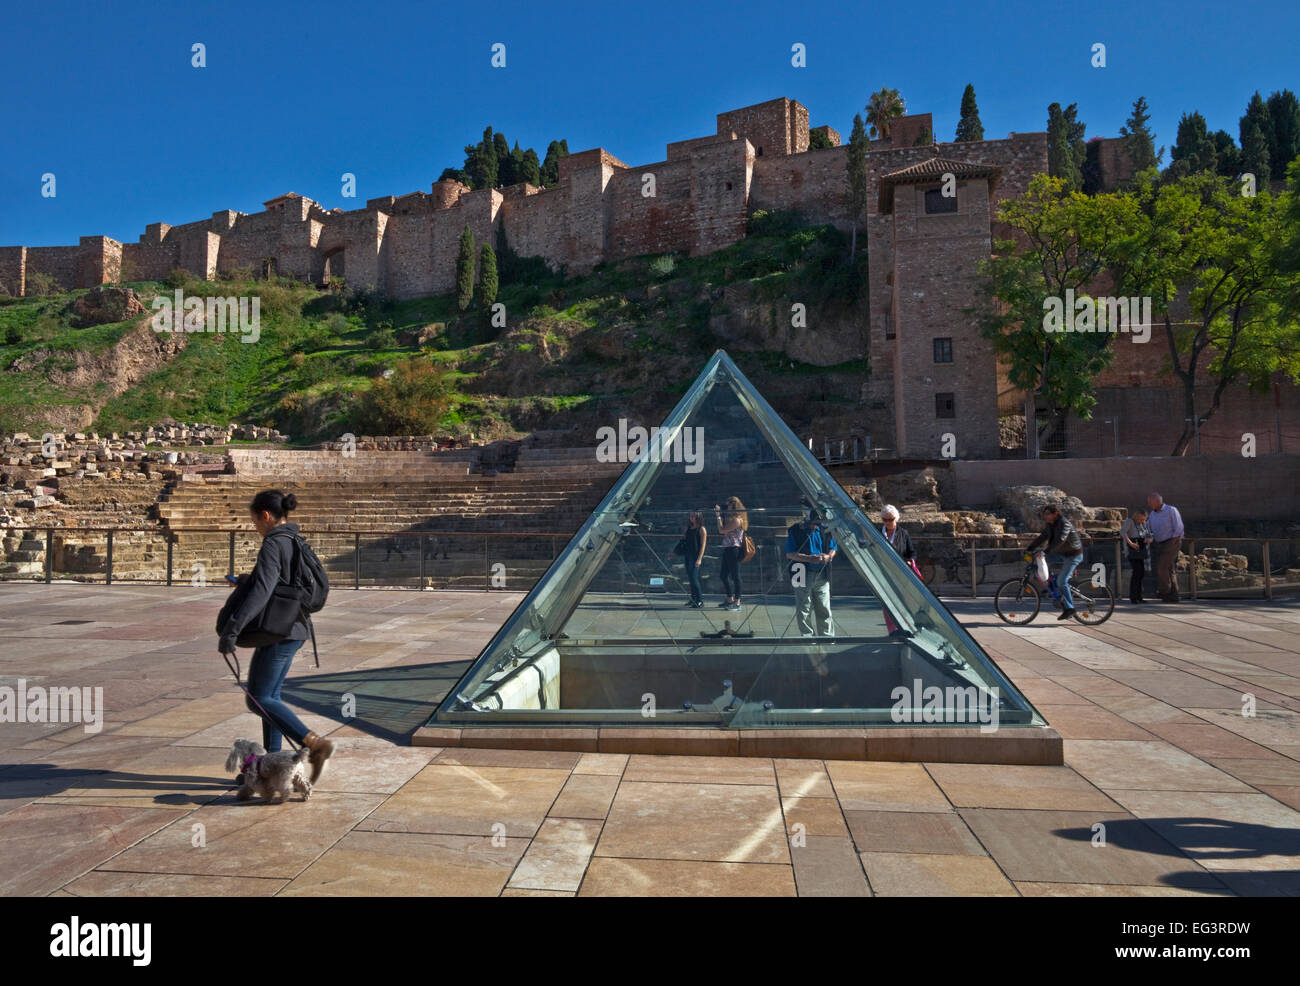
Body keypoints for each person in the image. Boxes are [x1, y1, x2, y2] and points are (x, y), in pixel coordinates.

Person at [217, 490, 335, 783]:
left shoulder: (273, 543)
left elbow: (264, 591)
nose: (255, 526)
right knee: (269, 697)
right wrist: (246, 580)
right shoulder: (294, 539)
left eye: (255, 520)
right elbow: (280, 583)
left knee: (258, 698)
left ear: (266, 516)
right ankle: (271, 767)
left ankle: (315, 744)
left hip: (279, 632)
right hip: (292, 628)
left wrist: (232, 628)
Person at [1025, 502, 1084, 621]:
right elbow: (1042, 537)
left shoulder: (1064, 523)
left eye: (1047, 514)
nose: (1045, 516)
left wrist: (1045, 552)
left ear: (1055, 514)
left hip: (1073, 555)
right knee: (1042, 562)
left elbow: (1061, 540)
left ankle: (1069, 608)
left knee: (1062, 581)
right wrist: (1029, 549)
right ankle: (1052, 584)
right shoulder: (1050, 525)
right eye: (1044, 514)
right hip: (1061, 553)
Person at [785, 507, 838, 636]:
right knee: (804, 608)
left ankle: (827, 637)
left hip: (822, 573)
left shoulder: (826, 530)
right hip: (801, 573)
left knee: (824, 607)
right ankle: (807, 636)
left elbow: (833, 547)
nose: (815, 526)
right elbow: (789, 554)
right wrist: (809, 558)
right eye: (814, 523)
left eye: (818, 523)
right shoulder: (795, 530)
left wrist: (829, 556)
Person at [1146, 492, 1185, 602]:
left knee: (1161, 567)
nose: (1149, 504)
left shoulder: (1171, 510)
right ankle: (1173, 595)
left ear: (1157, 501)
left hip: (1172, 542)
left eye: (1150, 502)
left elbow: (1178, 526)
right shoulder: (1152, 514)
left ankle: (1164, 591)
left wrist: (1174, 540)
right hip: (1159, 543)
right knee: (1169, 569)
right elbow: (1148, 528)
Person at [714, 497, 747, 612]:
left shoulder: (737, 520)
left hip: (734, 549)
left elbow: (721, 530)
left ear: (733, 506)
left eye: (727, 505)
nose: (726, 507)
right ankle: (729, 599)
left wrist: (718, 516)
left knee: (735, 576)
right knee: (723, 575)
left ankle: (737, 602)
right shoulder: (732, 519)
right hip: (728, 548)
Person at [1122, 507, 1151, 604]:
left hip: (1141, 549)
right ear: (1137, 516)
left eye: (1144, 519)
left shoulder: (1143, 524)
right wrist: (1131, 543)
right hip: (1132, 550)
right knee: (1136, 572)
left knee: (1141, 573)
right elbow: (1123, 532)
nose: (1143, 521)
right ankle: (1133, 597)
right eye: (1141, 519)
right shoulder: (1130, 521)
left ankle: (1139, 596)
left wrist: (1149, 539)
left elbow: (1149, 534)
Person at [681, 511, 707, 608]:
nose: (691, 518)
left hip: (695, 556)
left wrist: (699, 559)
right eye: (690, 516)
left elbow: (703, 545)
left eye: (693, 516)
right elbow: (683, 540)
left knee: (694, 578)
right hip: (688, 555)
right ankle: (693, 599)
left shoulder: (701, 529)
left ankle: (699, 600)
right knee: (690, 578)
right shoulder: (688, 528)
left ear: (698, 517)